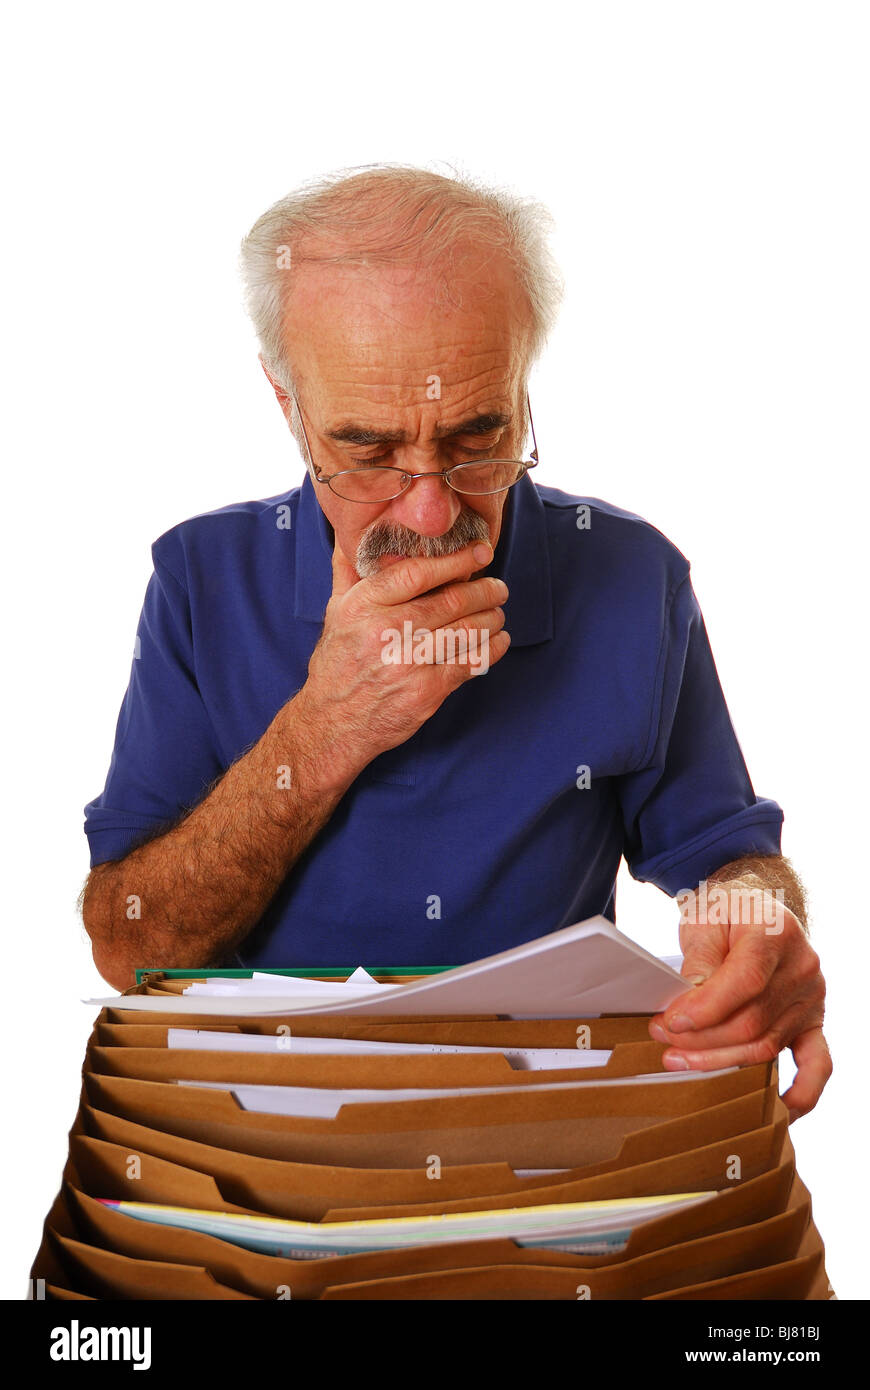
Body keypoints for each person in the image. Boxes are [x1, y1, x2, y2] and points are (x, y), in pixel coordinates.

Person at [81, 165, 830, 1119]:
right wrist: (324, 732)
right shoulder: (199, 579)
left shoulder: (633, 576)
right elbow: (129, 941)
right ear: (288, 407)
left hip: (542, 1126)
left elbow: (724, 854)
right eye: (368, 451)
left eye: (481, 437)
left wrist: (756, 920)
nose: (433, 511)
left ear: (524, 391)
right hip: (268, 1126)